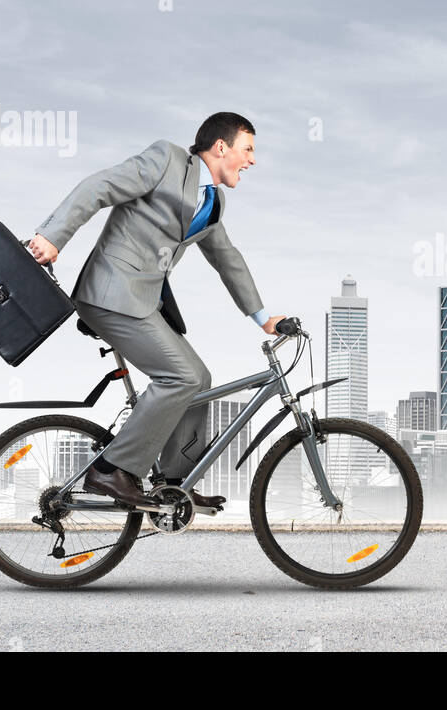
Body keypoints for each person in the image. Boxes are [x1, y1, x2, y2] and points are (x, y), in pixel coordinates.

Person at [27, 112, 286, 510]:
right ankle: (111, 469)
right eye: (247, 149)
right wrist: (52, 235)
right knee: (179, 376)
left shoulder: (212, 202)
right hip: (110, 293)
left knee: (198, 380)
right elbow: (100, 185)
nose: (251, 160)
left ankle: (174, 481)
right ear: (221, 147)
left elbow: (228, 260)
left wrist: (263, 317)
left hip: (143, 301)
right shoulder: (166, 161)